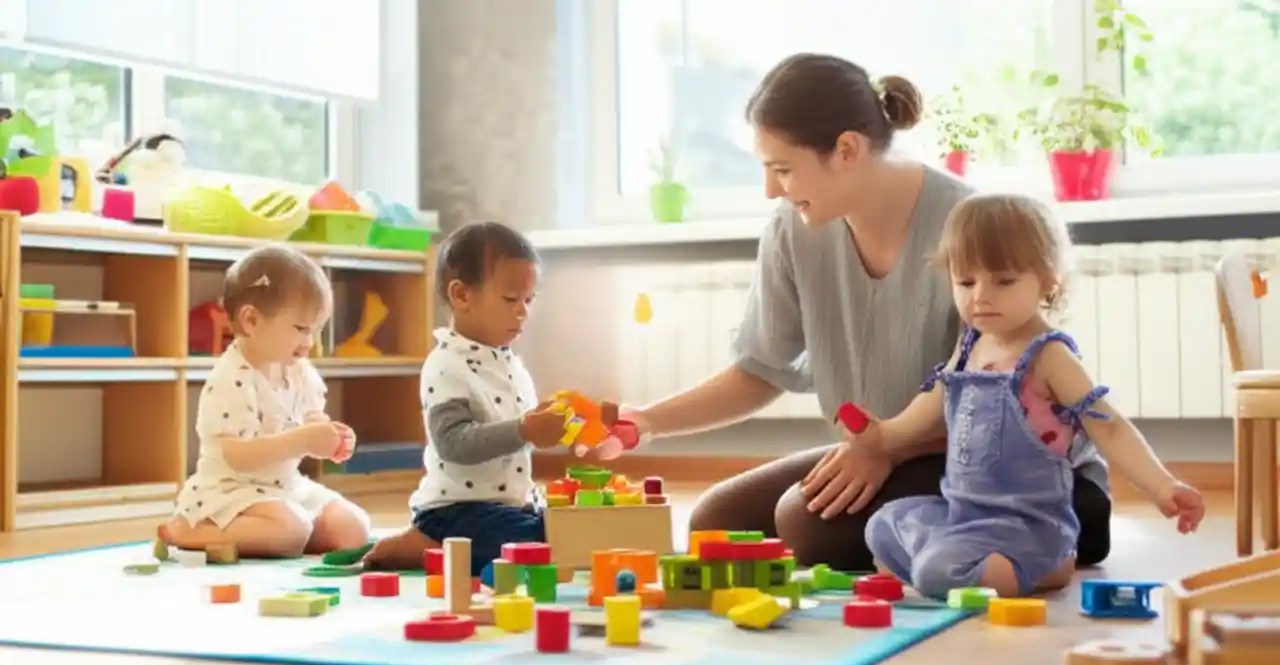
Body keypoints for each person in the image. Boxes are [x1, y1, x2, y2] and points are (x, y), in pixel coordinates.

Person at [590, 52, 1114, 571]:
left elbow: (1014, 402)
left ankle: (1045, 537)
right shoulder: (792, 229)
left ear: (846, 150)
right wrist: (648, 421)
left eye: (783, 170)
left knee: (803, 525)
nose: (771, 189)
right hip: (890, 451)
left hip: (1012, 467)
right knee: (717, 523)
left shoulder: (968, 224)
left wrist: (891, 450)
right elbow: (759, 369)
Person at [858, 193, 1204, 599]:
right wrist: (880, 436)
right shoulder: (971, 344)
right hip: (965, 516)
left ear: (1048, 280)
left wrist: (1162, 487)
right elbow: (933, 402)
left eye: (1003, 281)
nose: (980, 296)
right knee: (882, 525)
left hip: (1029, 525)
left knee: (940, 569)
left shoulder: (1049, 355)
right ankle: (956, 565)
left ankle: (1046, 564)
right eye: (966, 282)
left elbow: (1109, 429)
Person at [362, 221, 569, 575]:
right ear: (461, 296)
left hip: (510, 505)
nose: (523, 312)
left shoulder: (508, 363)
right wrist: (524, 429)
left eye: (528, 300)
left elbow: (517, 434)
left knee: (567, 526)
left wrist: (559, 425)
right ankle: (424, 546)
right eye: (510, 299)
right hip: (456, 510)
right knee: (535, 544)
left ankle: (448, 547)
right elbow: (453, 444)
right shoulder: (446, 365)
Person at [160, 245, 372, 557]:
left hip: (286, 488)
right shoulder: (232, 379)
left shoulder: (300, 373)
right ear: (251, 321)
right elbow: (238, 458)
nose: (309, 343)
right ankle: (188, 529)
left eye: (316, 330)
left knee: (355, 528)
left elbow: (313, 422)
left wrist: (331, 438)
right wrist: (301, 440)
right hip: (232, 491)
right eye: (301, 329)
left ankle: (280, 537)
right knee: (290, 530)